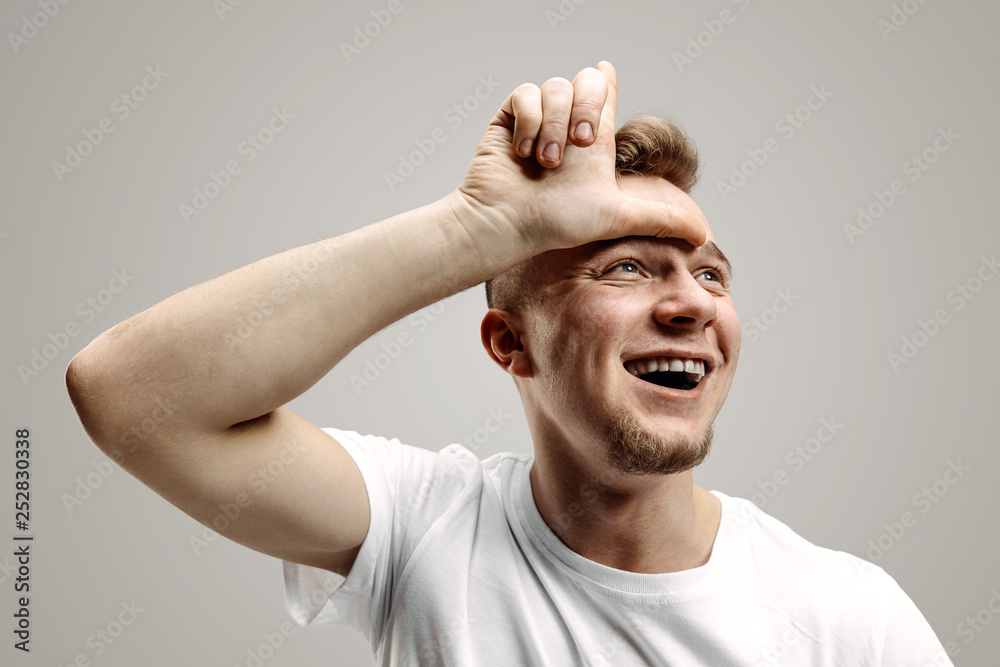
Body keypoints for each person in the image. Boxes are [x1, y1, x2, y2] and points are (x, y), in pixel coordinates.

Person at [66, 61, 952, 666]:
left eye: (710, 272)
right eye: (629, 267)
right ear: (510, 343)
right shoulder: (423, 529)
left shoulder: (847, 620)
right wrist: (478, 231)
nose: (691, 302)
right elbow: (131, 396)